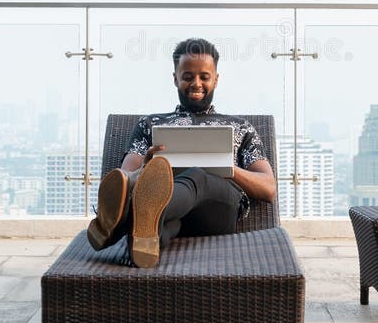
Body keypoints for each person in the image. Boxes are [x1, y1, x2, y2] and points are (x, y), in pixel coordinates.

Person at [87, 37, 276, 267]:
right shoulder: (150, 124)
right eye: (187, 76)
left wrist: (224, 167)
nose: (196, 83)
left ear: (216, 80)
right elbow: (125, 177)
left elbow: (268, 188)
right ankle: (143, 238)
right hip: (175, 214)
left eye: (204, 77)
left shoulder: (241, 127)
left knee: (197, 175)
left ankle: (119, 222)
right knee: (162, 226)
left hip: (217, 210)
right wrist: (145, 169)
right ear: (175, 79)